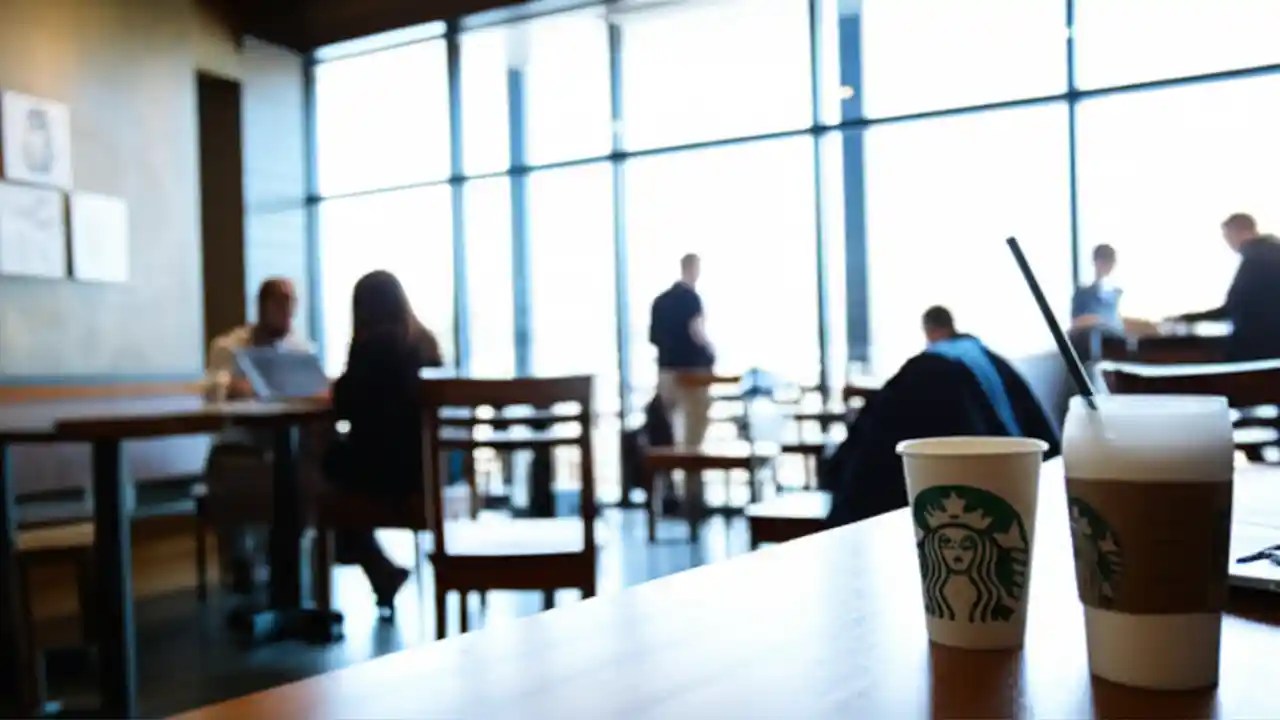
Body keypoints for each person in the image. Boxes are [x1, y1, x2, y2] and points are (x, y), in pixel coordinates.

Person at [822, 307, 1059, 527]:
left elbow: (871, 443)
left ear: (931, 331)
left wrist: (835, 472)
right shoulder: (987, 358)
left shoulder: (930, 369)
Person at [327, 270, 443, 615]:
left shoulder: (370, 346)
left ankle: (373, 566)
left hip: (388, 471)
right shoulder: (425, 343)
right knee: (334, 469)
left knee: (322, 468)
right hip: (429, 466)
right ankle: (378, 568)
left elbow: (344, 406)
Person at [203, 278, 310, 592]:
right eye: (280, 305)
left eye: (291, 306)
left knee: (297, 471)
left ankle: (280, 565)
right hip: (241, 443)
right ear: (262, 307)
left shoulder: (298, 348)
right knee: (233, 467)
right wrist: (234, 389)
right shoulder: (230, 347)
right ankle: (241, 561)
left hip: (288, 446)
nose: (287, 313)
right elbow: (214, 393)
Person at [1175, 213, 1280, 360]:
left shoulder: (1255, 260)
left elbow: (1233, 308)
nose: (1229, 243)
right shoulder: (1272, 253)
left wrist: (1186, 319)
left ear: (1238, 232)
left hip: (1257, 350)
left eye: (1227, 237)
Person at [648, 253, 715, 448]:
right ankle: (690, 475)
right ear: (693, 269)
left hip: (666, 372)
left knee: (669, 432)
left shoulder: (660, 302)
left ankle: (668, 474)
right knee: (693, 433)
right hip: (692, 374)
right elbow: (697, 332)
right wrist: (710, 353)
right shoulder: (692, 299)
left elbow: (653, 338)